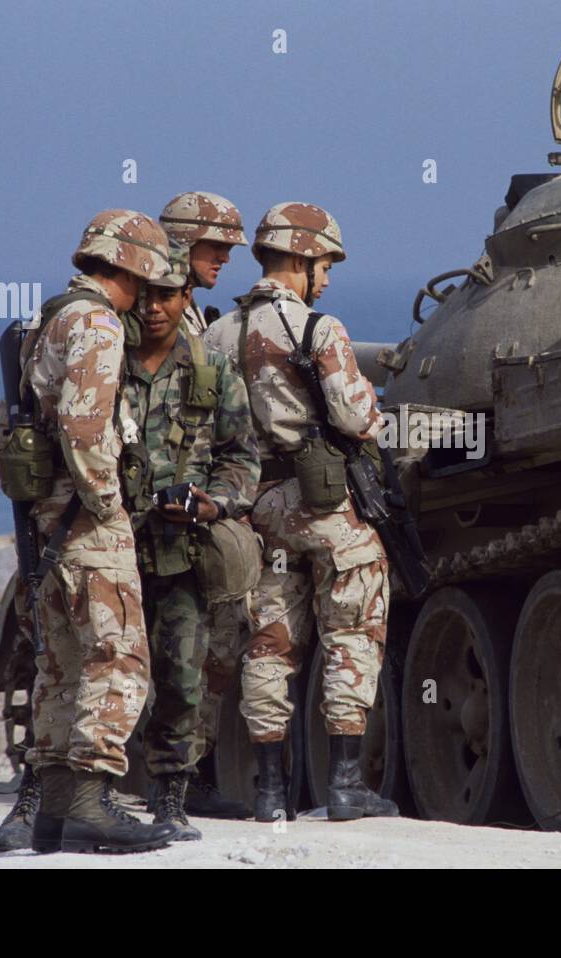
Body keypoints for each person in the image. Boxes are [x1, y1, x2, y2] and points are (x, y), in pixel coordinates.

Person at [203, 202, 398, 822]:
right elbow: (356, 417)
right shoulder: (318, 329)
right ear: (298, 259)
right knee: (352, 627)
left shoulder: (216, 335)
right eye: (324, 264)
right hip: (324, 506)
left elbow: (202, 432)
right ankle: (344, 783)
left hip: (258, 505)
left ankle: (266, 792)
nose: (329, 278)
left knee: (270, 638)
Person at [0, 209, 178, 854]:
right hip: (85, 521)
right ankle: (94, 800)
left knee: (62, 666)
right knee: (118, 656)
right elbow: (85, 427)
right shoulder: (97, 323)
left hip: (46, 521)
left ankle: (53, 813)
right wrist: (107, 504)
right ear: (135, 267)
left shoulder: (50, 318)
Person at [120, 245, 259, 838]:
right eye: (145, 293)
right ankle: (72, 793)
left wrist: (214, 501)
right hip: (111, 545)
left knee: (182, 678)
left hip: (180, 549)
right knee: (101, 674)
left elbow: (242, 458)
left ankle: (170, 798)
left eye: (168, 295)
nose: (154, 308)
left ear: (185, 299)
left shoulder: (210, 370)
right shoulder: (106, 361)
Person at [157, 190, 248, 341]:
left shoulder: (187, 303)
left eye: (229, 248)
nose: (225, 258)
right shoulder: (155, 309)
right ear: (184, 241)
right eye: (217, 246)